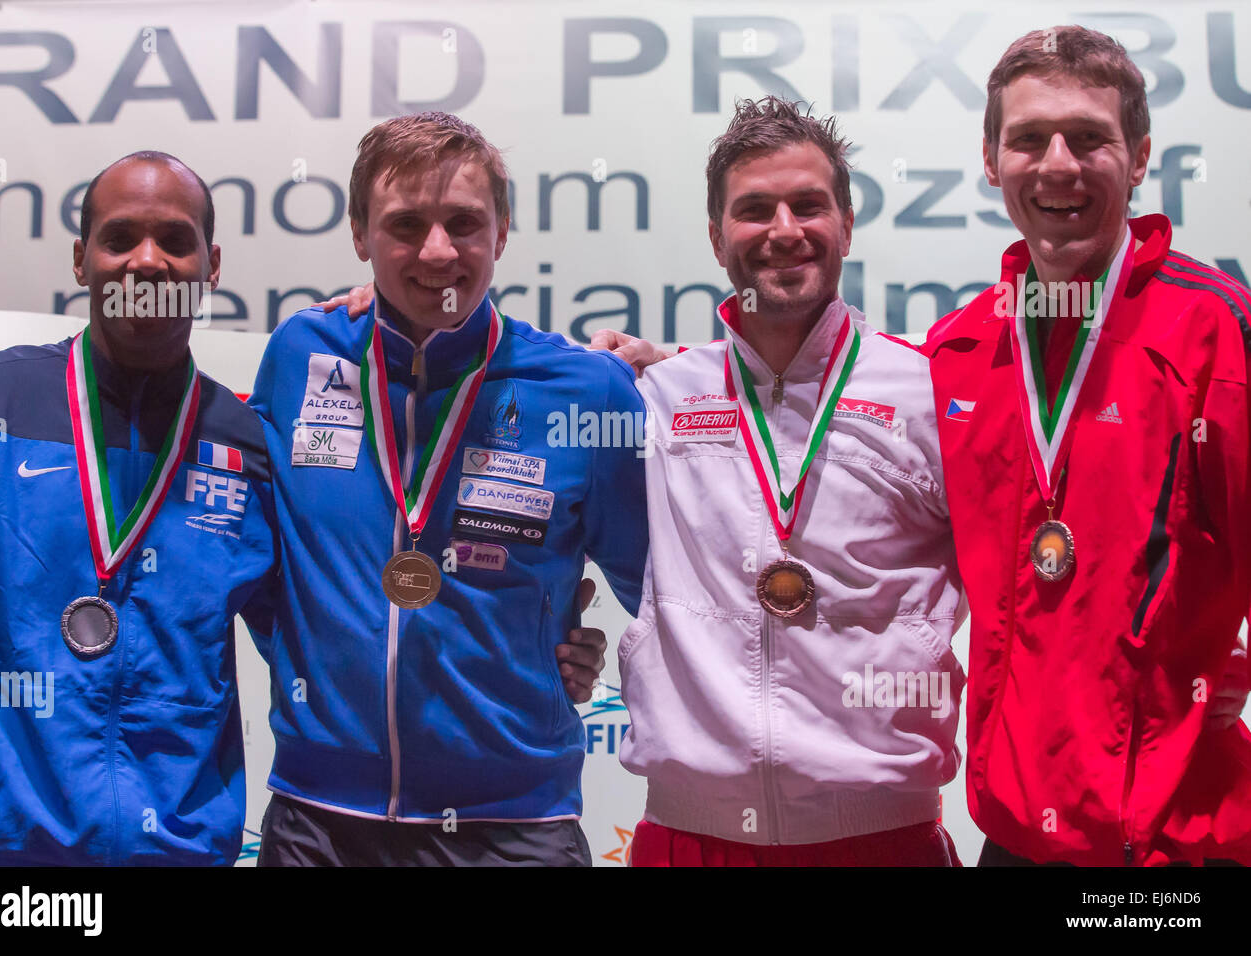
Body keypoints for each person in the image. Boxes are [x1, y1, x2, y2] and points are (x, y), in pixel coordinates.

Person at [247, 112, 646, 866]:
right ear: (361, 236)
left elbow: (668, 588)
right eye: (405, 225)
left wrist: (550, 654)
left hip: (514, 825)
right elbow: (264, 566)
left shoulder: (586, 391)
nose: (437, 251)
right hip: (319, 820)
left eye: (464, 222)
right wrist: (323, 662)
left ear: (503, 233)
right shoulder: (302, 355)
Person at [608, 97, 964, 866]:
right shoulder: (657, 395)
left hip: (882, 835)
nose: (783, 230)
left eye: (809, 205)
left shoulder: (928, 393)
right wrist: (365, 317)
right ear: (715, 237)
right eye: (753, 210)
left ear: (846, 224)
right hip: (688, 835)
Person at [925, 25, 1251, 866]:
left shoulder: (1216, 330)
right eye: (1028, 139)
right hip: (1013, 833)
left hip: (1177, 842)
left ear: (1139, 157)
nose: (1058, 164)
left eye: (1089, 138)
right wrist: (681, 369)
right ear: (992, 162)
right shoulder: (958, 349)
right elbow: (832, 418)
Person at [0, 151, 278, 865]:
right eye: (121, 237)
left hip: (184, 853)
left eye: (176, 240)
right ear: (81, 260)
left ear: (211, 264)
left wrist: (542, 649)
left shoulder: (248, 446)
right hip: (2, 861)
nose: (148, 261)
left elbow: (338, 636)